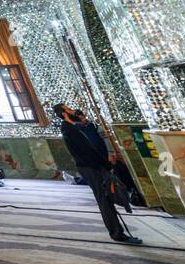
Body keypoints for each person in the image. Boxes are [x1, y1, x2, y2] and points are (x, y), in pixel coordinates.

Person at [56, 103, 141, 244]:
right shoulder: (69, 130)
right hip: (90, 167)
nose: (72, 111)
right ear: (64, 114)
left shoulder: (72, 127)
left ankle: (117, 231)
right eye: (69, 109)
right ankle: (117, 233)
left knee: (106, 198)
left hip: (92, 166)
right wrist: (106, 165)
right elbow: (88, 151)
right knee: (104, 199)